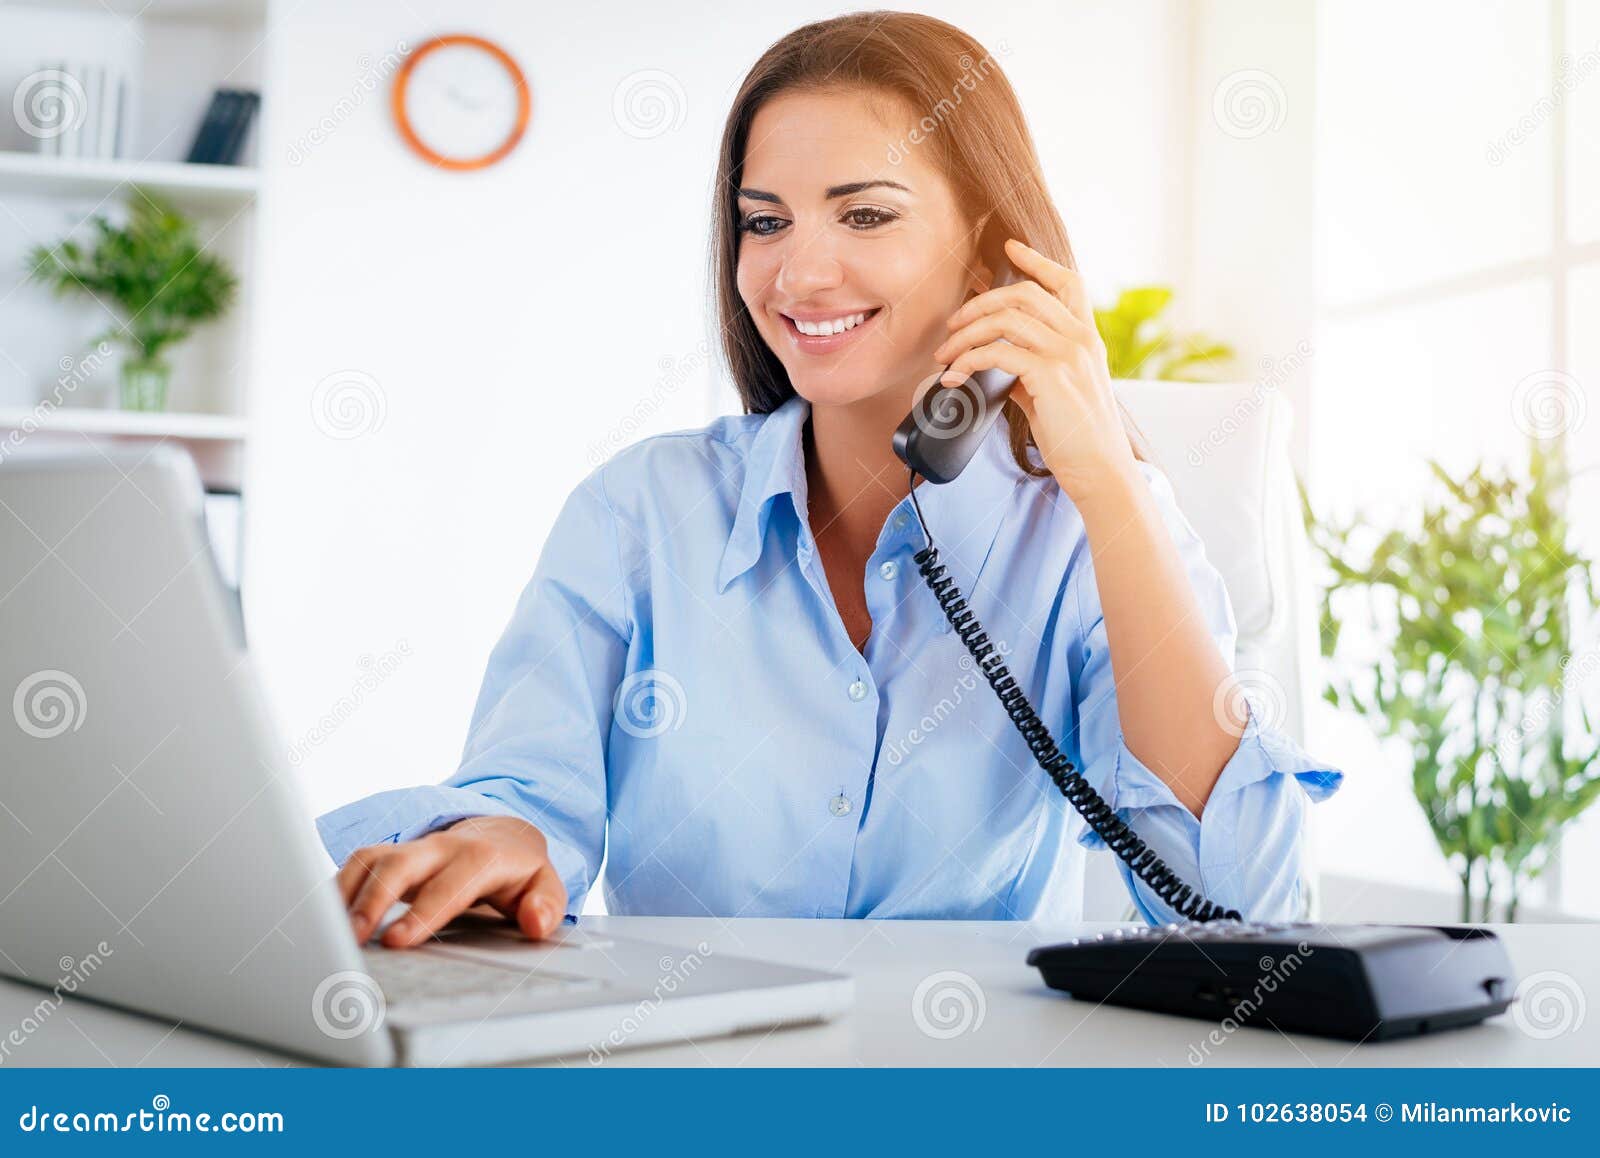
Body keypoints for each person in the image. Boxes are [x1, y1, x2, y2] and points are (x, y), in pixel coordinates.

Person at [321, 11, 1342, 948]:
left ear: (993, 256)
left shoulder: (1080, 531)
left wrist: (1110, 488)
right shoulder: (641, 513)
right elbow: (528, 791)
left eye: (864, 216)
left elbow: (1239, 905)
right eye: (765, 222)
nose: (799, 275)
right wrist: (502, 840)